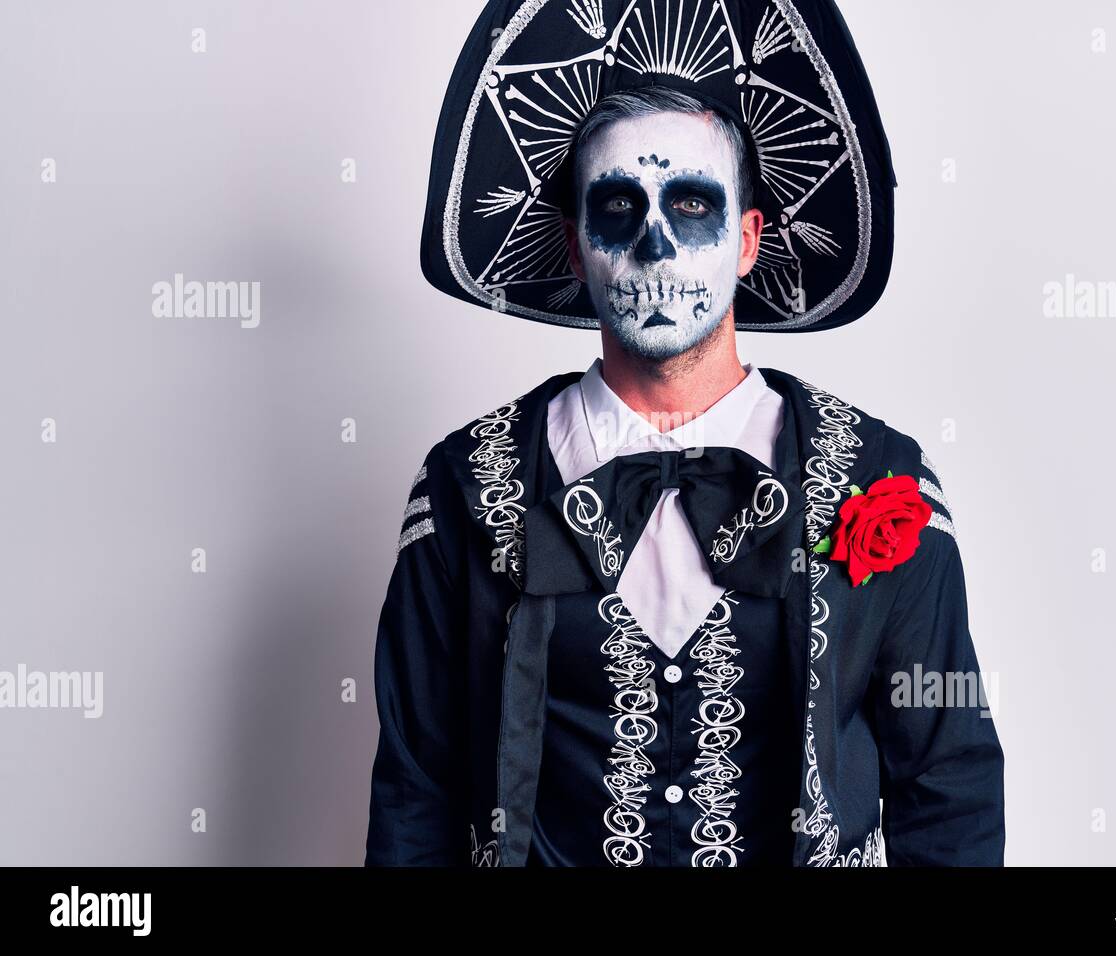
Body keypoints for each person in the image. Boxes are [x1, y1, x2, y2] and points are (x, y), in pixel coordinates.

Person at [366, 0, 1004, 867]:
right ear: (574, 243)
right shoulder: (464, 488)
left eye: (694, 205)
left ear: (747, 240)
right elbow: (417, 789)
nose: (656, 246)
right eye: (618, 208)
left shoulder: (882, 480)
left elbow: (951, 777)